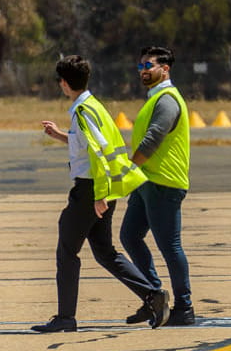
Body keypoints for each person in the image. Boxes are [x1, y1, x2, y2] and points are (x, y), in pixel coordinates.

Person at [35, 55, 170, 333]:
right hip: (102, 188)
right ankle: (152, 295)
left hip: (91, 190)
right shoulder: (94, 106)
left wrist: (99, 196)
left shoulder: (82, 111)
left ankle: (66, 317)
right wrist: (60, 135)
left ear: (64, 83)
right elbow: (90, 144)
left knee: (67, 251)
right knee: (105, 252)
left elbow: (97, 154)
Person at [122, 46, 197, 326]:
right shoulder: (154, 98)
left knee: (170, 246)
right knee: (130, 236)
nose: (143, 70)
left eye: (148, 65)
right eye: (140, 66)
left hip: (164, 183)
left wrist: (129, 168)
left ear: (165, 69)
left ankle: (184, 307)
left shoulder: (167, 100)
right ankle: (154, 295)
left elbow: (153, 139)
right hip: (147, 182)